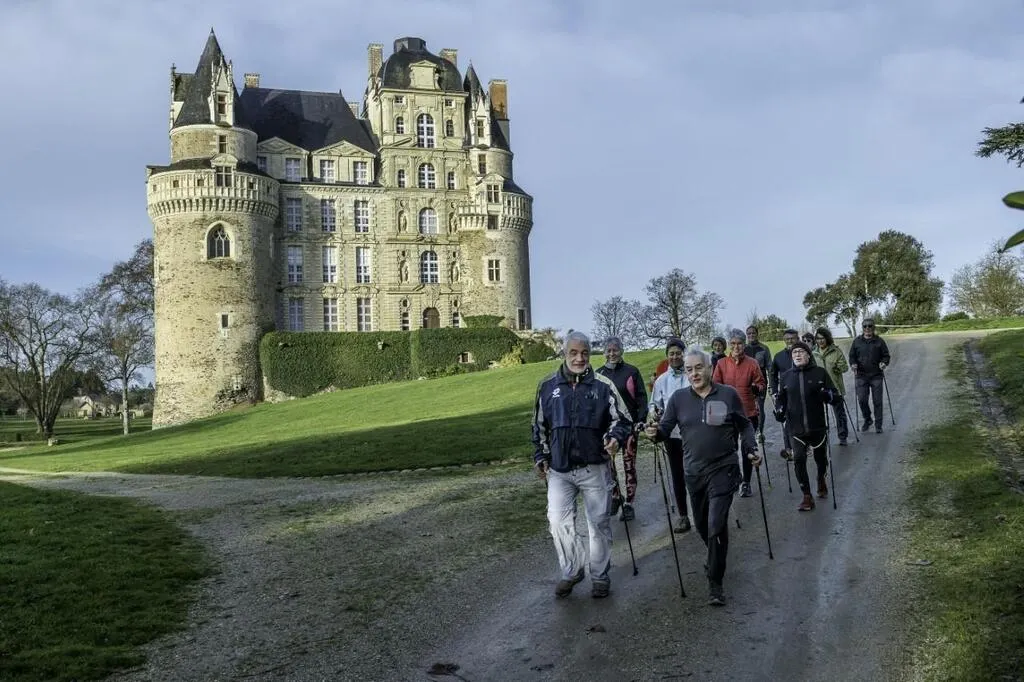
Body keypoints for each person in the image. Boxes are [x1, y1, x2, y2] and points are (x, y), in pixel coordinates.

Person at [645, 347, 761, 606]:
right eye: (689, 369)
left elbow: (744, 424)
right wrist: (655, 434)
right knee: (702, 525)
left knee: (715, 524)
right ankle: (716, 555)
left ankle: (715, 583)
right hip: (693, 472)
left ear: (710, 368)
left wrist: (751, 449)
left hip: (724, 468)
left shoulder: (728, 395)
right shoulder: (678, 399)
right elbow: (665, 428)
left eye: (699, 367)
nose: (694, 373)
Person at [532, 331, 632, 599]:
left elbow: (623, 420)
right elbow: (539, 427)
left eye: (584, 353)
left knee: (598, 522)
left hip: (594, 466)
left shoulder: (603, 385)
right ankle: (573, 569)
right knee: (557, 521)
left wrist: (614, 438)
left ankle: (599, 575)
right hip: (559, 469)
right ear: (564, 354)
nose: (579, 358)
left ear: (590, 354)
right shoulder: (547, 386)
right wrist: (540, 456)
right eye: (573, 353)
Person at [772, 341, 840, 511]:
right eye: (794, 353)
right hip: (796, 429)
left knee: (821, 460)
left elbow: (835, 396)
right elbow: (781, 399)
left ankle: (820, 478)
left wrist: (827, 395)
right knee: (799, 459)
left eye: (801, 352)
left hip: (817, 427)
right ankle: (807, 495)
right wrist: (779, 411)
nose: (797, 355)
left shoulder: (820, 373)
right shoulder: (786, 376)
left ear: (809, 355)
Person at [596, 336, 648, 522]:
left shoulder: (631, 371)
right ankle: (617, 496)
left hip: (629, 426)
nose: (612, 354)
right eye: (608, 350)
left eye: (615, 350)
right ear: (604, 353)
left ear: (621, 351)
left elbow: (642, 398)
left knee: (627, 464)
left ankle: (629, 503)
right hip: (608, 428)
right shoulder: (598, 374)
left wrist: (640, 420)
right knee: (609, 466)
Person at [712, 329, 766, 498]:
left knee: (747, 449)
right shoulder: (722, 364)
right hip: (728, 415)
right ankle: (735, 477)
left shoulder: (752, 363)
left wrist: (757, 388)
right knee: (730, 449)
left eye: (740, 343)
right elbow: (714, 386)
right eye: (733, 343)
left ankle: (747, 483)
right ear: (729, 344)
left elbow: (762, 383)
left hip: (748, 412)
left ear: (744, 344)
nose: (736, 346)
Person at [649, 337, 693, 533]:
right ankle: (683, 515)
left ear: (684, 354)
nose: (675, 356)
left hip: (694, 433)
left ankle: (705, 509)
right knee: (677, 475)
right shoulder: (661, 380)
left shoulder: (693, 374)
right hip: (672, 435)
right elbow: (654, 404)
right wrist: (654, 415)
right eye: (671, 353)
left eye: (678, 353)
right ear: (667, 356)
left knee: (697, 472)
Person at [848, 318, 891, 433]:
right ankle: (867, 420)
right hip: (861, 375)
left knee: (877, 401)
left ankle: (878, 424)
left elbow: (886, 355)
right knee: (862, 400)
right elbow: (852, 356)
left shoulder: (879, 341)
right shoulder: (857, 341)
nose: (867, 328)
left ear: (874, 327)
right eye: (865, 326)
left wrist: (884, 363)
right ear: (862, 328)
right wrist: (853, 364)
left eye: (870, 326)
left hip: (876, 375)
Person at [813, 326, 850, 446]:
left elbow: (845, 367)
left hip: (835, 387)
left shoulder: (836, 351)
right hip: (819, 388)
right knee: (819, 415)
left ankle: (843, 436)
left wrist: (837, 367)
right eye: (818, 339)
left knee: (839, 414)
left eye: (823, 338)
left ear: (827, 339)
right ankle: (821, 438)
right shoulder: (813, 353)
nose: (820, 341)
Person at [769, 328, 799, 458]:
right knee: (786, 421)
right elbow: (773, 375)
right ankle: (789, 449)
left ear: (797, 339)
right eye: (787, 339)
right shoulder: (779, 356)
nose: (789, 341)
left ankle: (804, 446)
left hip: (801, 391)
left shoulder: (801, 353)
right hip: (785, 393)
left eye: (792, 338)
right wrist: (774, 391)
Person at [744, 325, 772, 439]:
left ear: (757, 334)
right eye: (749, 333)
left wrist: (771, 385)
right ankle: (749, 431)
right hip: (745, 382)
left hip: (760, 382)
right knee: (746, 407)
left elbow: (770, 366)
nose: (751, 335)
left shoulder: (764, 348)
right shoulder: (744, 348)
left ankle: (760, 432)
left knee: (759, 408)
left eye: (753, 333)